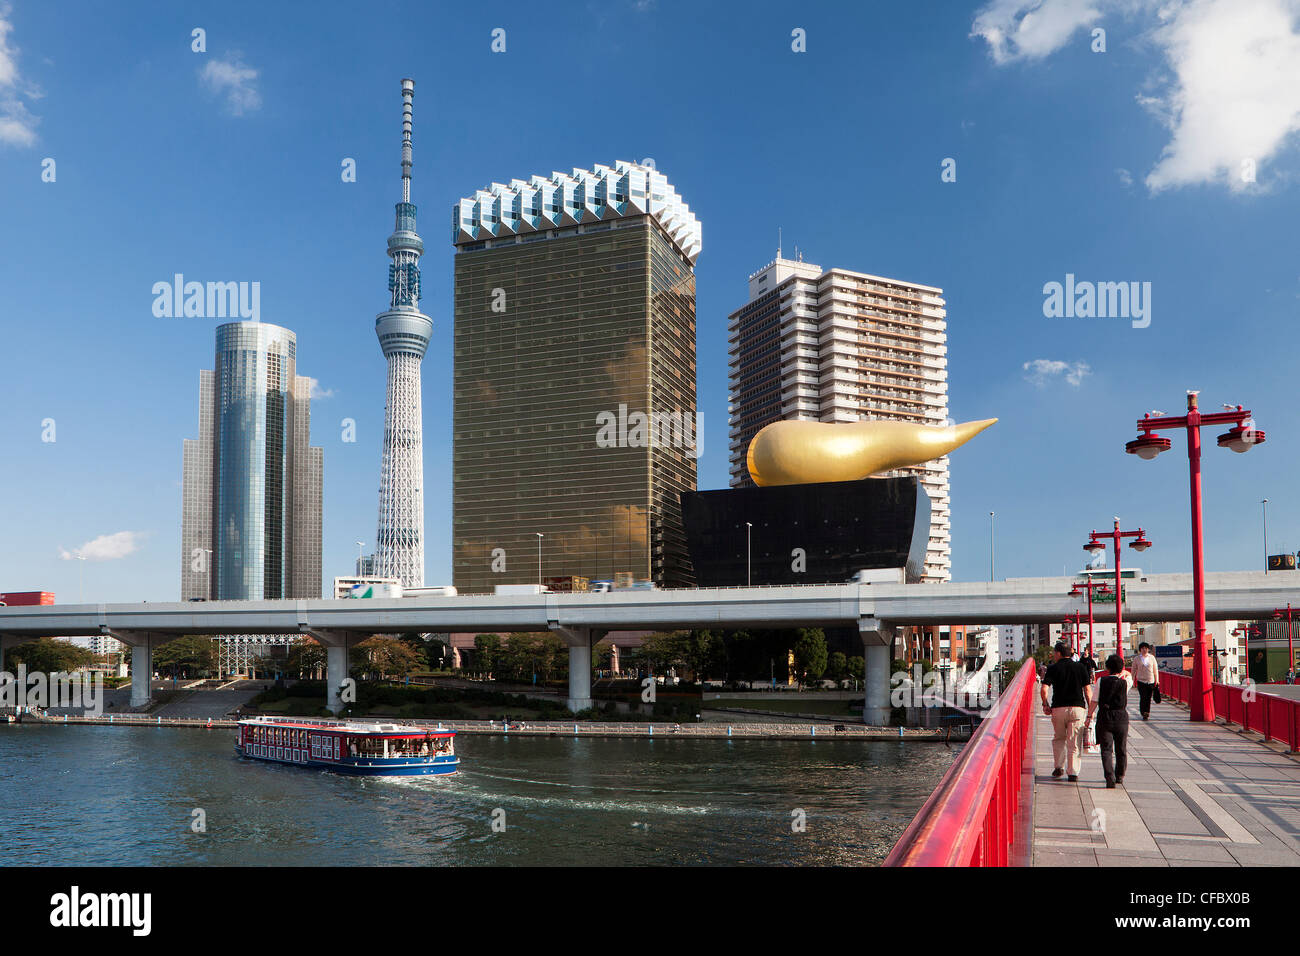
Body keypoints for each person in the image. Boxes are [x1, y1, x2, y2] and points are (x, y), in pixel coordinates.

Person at [1040, 642, 1093, 782]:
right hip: (1077, 709)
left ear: (1058, 653)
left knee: (1059, 738)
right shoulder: (1080, 667)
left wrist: (1045, 704)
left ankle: (1058, 766)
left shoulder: (1052, 668)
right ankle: (1073, 772)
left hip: (1058, 708)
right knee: (1074, 741)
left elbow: (1044, 689)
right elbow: (1088, 690)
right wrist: (1091, 711)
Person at [1085, 654, 1132, 788]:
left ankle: (1109, 777)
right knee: (1121, 748)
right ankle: (1120, 775)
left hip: (1105, 716)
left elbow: (1094, 700)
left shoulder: (1101, 681)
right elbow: (1128, 674)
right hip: (1121, 717)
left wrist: (1089, 716)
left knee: (1106, 749)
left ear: (1107, 667)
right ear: (1121, 667)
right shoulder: (1126, 682)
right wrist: (1122, 670)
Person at [1132, 642, 1160, 720]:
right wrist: (1131, 680)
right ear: (1140, 649)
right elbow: (1133, 670)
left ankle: (1147, 712)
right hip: (1141, 681)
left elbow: (1155, 670)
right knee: (1143, 697)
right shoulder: (1137, 658)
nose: (1144, 650)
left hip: (1150, 680)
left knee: (1148, 698)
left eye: (1146, 648)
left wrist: (1157, 680)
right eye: (1143, 648)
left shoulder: (1152, 658)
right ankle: (1143, 711)